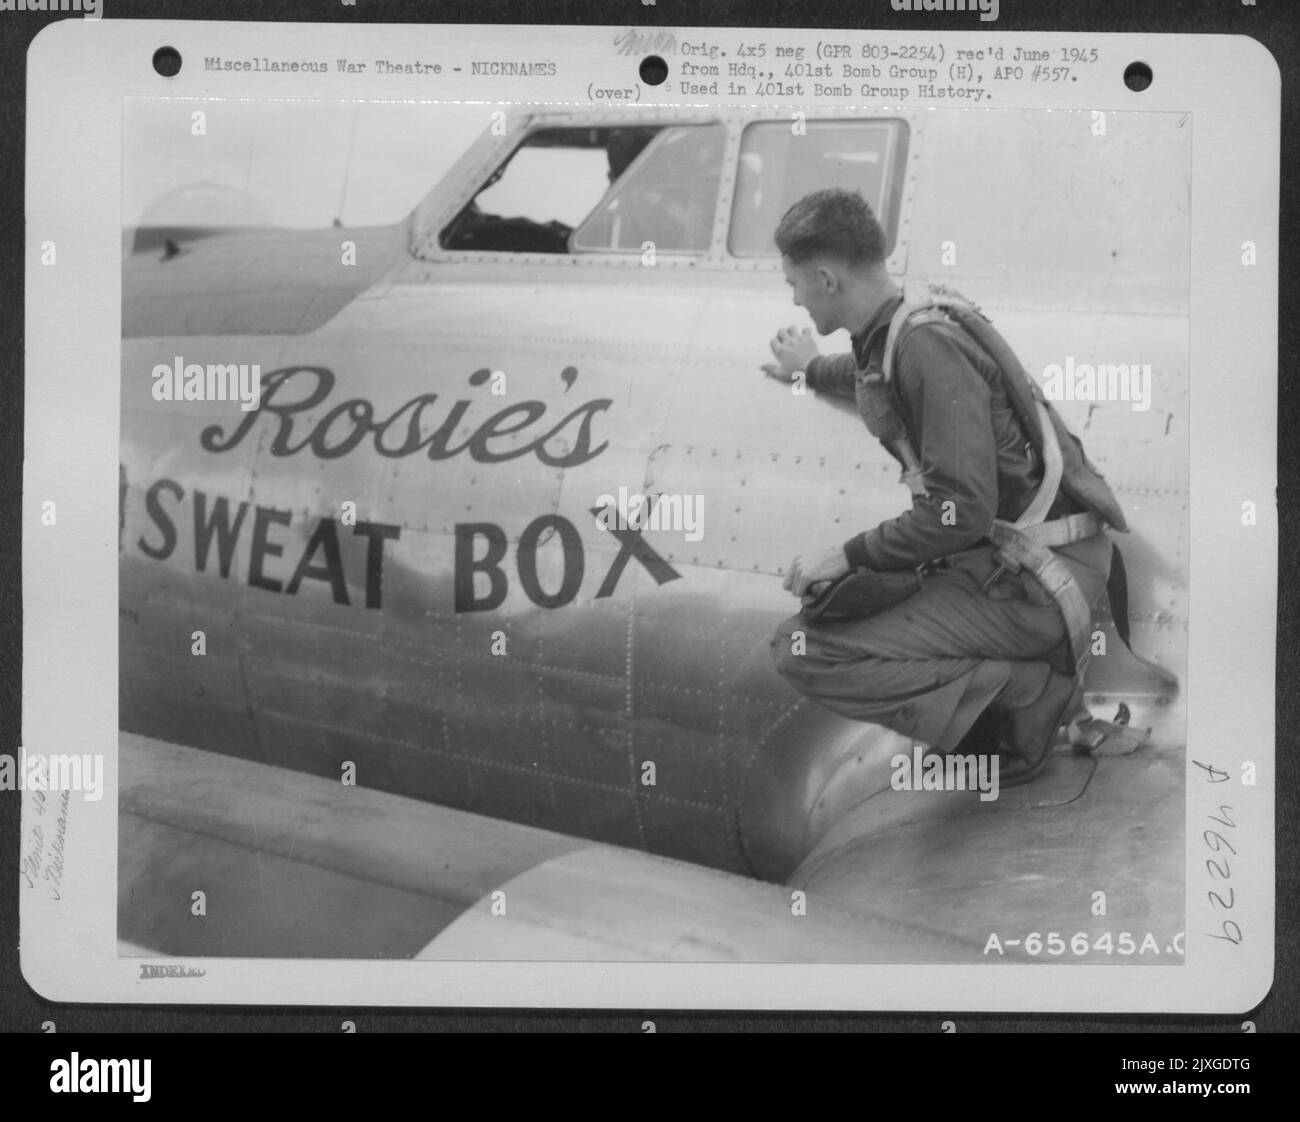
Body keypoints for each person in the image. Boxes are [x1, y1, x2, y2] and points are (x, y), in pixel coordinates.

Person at [762, 188, 1121, 783]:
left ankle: (1027, 698)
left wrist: (846, 554)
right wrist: (810, 369)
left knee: (801, 648)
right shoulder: (907, 320)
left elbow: (961, 512)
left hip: (1038, 581)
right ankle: (1005, 696)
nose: (794, 297)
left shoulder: (925, 345)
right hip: (1017, 566)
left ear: (825, 277)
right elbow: (872, 373)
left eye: (794, 283)